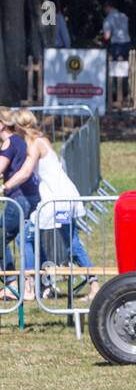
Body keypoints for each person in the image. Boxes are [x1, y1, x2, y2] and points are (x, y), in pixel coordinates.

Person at [16, 109, 97, 300]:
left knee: (26, 238)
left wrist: (6, 186)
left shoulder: (36, 144)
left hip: (57, 201)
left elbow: (26, 172)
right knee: (67, 242)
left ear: (19, 128)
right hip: (61, 198)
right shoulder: (42, 140)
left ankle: (32, 285)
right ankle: (48, 283)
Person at [0, 108, 35, 300]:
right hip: (28, 197)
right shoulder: (19, 141)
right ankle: (30, 287)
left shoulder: (8, 143)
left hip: (18, 199)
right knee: (25, 241)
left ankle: (11, 284)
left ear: (2, 124)